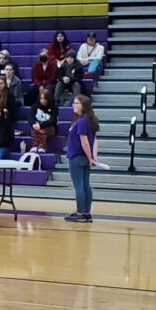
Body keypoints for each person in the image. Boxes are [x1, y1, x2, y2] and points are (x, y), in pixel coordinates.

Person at [65, 95, 99, 223]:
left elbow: (85, 142)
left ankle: (81, 213)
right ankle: (86, 212)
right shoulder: (90, 120)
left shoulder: (81, 122)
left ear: (84, 106)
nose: (74, 105)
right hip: (84, 157)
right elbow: (95, 140)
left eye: (76, 103)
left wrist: (91, 158)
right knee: (86, 185)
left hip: (77, 156)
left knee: (79, 185)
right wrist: (93, 157)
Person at [30, 88, 58, 153]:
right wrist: (34, 124)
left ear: (48, 99)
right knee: (34, 129)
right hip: (36, 127)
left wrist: (41, 125)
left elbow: (52, 120)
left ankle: (42, 146)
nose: (42, 100)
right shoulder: (34, 107)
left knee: (44, 130)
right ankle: (35, 145)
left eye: (44, 99)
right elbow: (30, 118)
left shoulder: (54, 108)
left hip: (50, 128)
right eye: (41, 98)